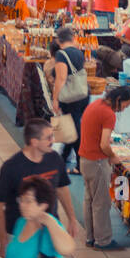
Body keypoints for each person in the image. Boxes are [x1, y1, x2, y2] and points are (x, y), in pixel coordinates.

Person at [0, 119, 82, 257]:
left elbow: (62, 189)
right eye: (48, 138)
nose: (53, 140)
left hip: (48, 230)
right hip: (19, 233)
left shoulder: (54, 159)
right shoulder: (11, 167)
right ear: (34, 141)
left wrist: (72, 218)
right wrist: (3, 240)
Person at [78, 85, 130, 250]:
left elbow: (95, 134)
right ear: (118, 100)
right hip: (97, 161)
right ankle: (103, 241)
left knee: (89, 200)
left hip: (85, 159)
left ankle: (91, 237)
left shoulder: (95, 105)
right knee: (101, 202)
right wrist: (112, 156)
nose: (123, 110)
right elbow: (104, 144)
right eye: (125, 106)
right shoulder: (108, 114)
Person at [48, 27, 90, 174]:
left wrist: (55, 98)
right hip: (82, 93)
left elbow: (61, 78)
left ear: (59, 40)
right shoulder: (78, 52)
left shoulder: (61, 54)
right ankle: (62, 160)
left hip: (70, 97)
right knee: (70, 127)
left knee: (72, 129)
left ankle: (79, 163)